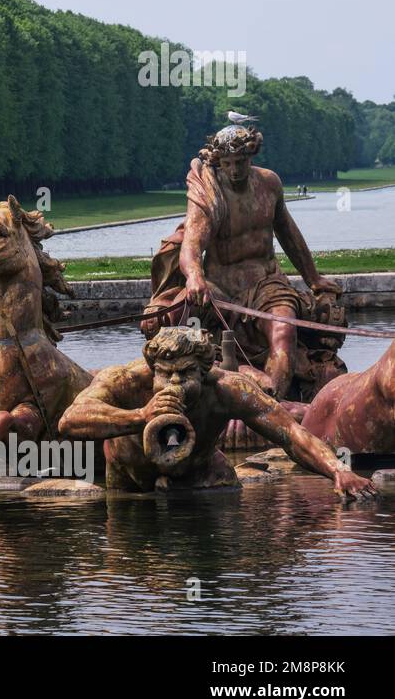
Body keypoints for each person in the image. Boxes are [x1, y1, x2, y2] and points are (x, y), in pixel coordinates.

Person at [142, 123, 345, 399]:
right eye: (228, 163)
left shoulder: (269, 184)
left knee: (284, 330)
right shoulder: (210, 193)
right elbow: (191, 245)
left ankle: (273, 406)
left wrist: (313, 278)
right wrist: (194, 277)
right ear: (218, 161)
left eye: (241, 162)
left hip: (268, 285)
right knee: (181, 322)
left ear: (251, 156)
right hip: (220, 288)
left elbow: (288, 234)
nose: (235, 170)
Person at [59, 327, 373, 498]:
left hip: (200, 474)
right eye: (166, 374)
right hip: (131, 475)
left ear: (206, 370)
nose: (175, 382)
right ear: (151, 369)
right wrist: (141, 415)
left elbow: (292, 434)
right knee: (133, 563)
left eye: (186, 373)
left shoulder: (227, 388)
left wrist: (338, 470)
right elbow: (70, 420)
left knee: (211, 553)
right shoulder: (125, 379)